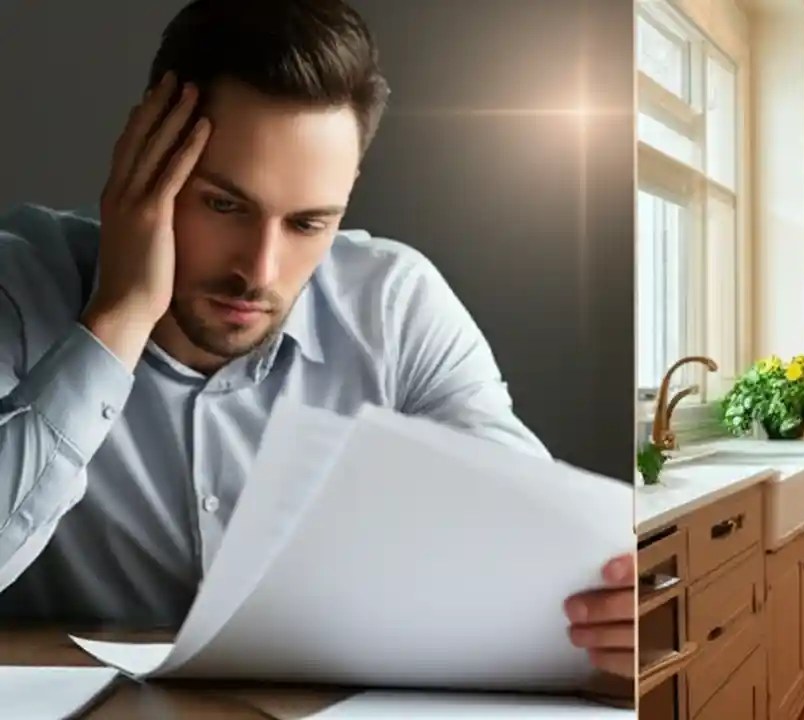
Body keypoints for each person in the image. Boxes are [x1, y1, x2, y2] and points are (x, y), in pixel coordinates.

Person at [0, 0, 634, 679]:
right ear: (143, 158)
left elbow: (536, 544)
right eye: (224, 204)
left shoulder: (395, 308)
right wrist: (120, 316)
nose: (259, 271)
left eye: (307, 224)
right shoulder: (18, 284)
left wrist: (607, 614)